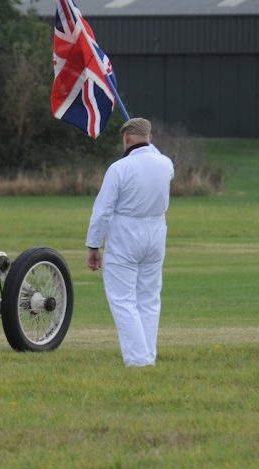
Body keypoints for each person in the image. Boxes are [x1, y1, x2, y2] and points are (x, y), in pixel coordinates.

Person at [85, 118, 174, 367]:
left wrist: (94, 245)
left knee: (123, 299)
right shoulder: (165, 164)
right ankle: (148, 355)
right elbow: (160, 159)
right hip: (156, 232)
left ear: (126, 139)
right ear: (150, 138)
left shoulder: (119, 169)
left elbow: (102, 211)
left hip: (126, 233)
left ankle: (138, 360)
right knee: (149, 298)